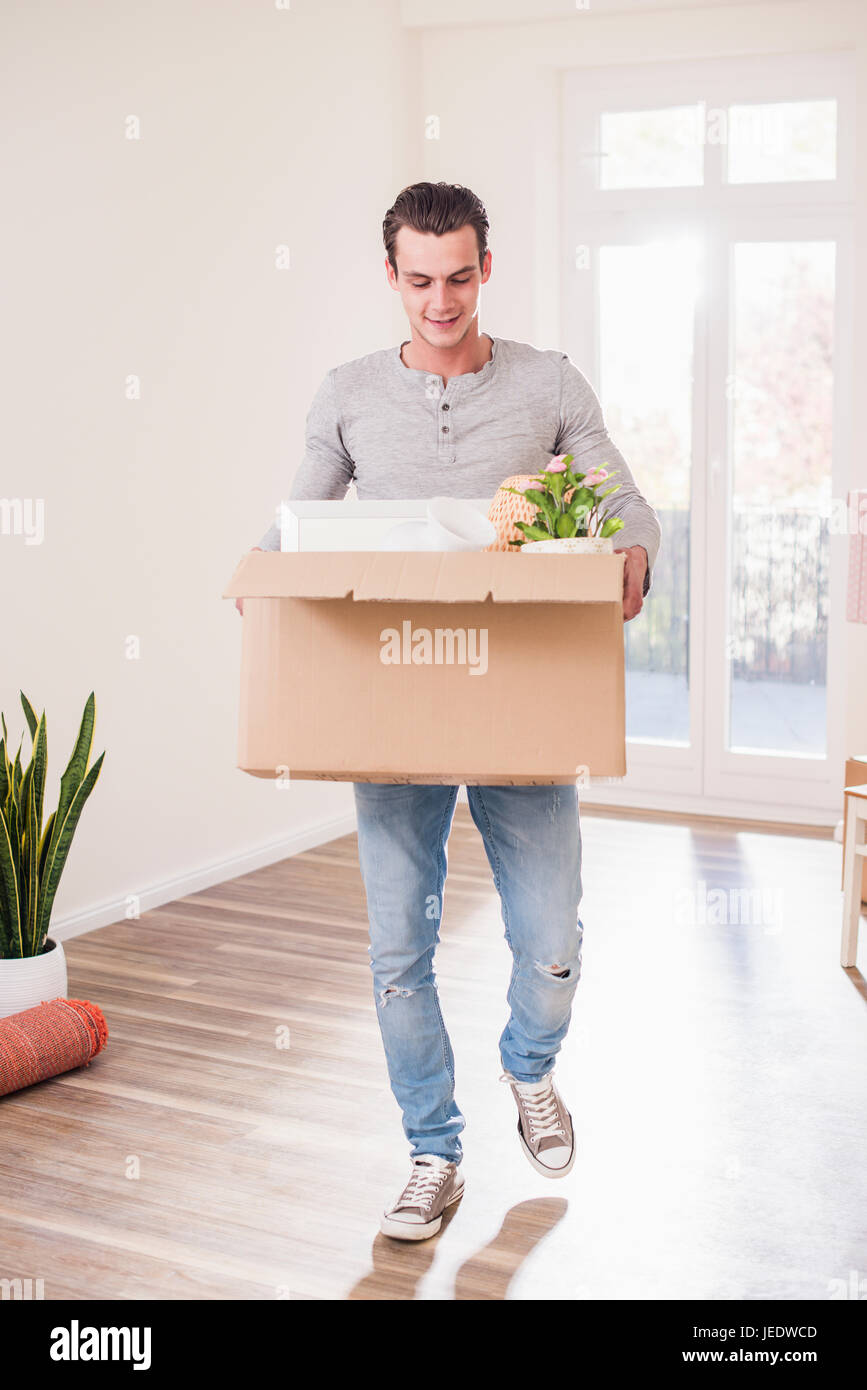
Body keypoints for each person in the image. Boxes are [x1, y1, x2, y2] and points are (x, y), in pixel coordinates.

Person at [239, 182, 661, 1242]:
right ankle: (433, 1148)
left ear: (486, 268)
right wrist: (258, 578)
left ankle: (530, 1067)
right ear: (391, 275)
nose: (441, 300)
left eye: (460, 277)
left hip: (519, 701)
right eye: (420, 280)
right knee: (398, 954)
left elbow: (622, 496)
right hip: (394, 704)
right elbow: (295, 522)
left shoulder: (546, 383)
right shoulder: (346, 393)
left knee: (551, 939)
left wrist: (636, 549)